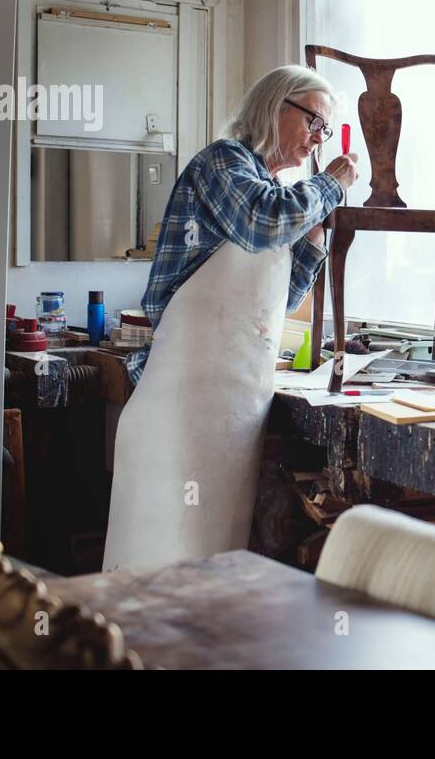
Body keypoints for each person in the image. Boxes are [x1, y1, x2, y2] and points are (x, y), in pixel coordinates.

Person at [103, 66, 358, 570]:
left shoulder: (274, 190)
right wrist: (329, 187)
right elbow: (264, 222)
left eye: (324, 130)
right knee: (159, 560)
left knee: (213, 568)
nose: (317, 138)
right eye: (314, 121)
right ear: (274, 106)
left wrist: (313, 238)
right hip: (182, 408)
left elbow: (273, 303)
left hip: (233, 411)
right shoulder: (224, 164)